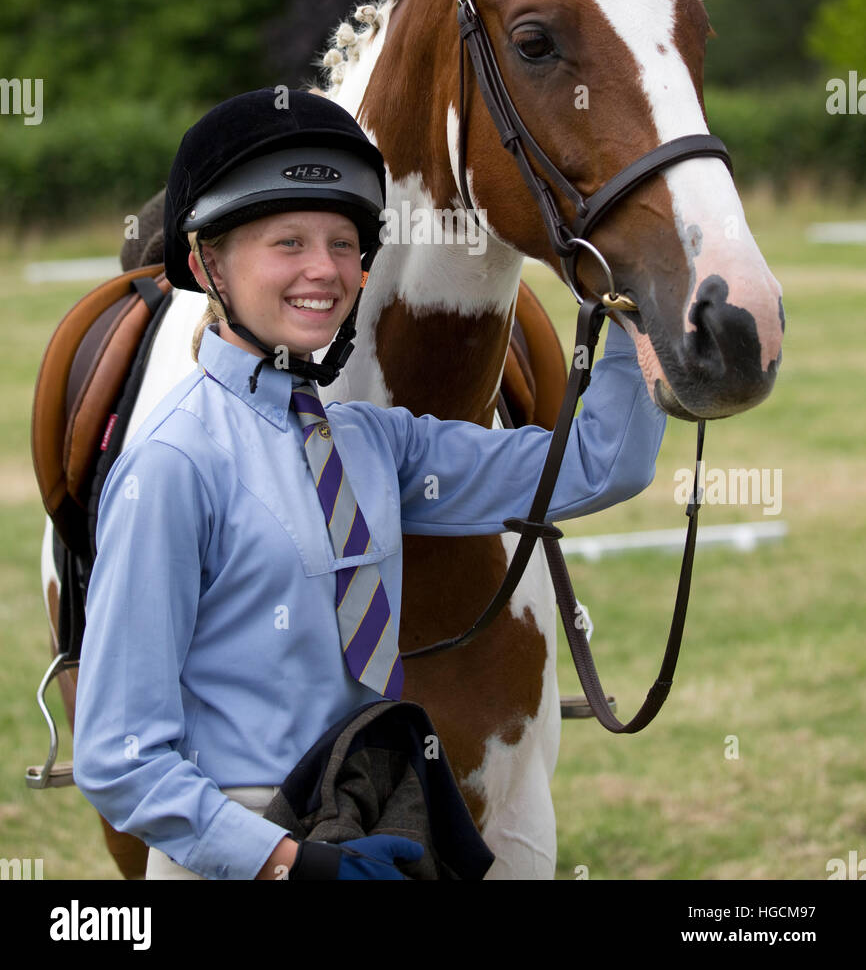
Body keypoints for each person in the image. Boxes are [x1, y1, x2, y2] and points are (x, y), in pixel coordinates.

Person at [72, 86, 668, 881]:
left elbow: (599, 464)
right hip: (238, 852)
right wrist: (288, 861)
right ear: (209, 262)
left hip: (375, 823)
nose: (324, 270)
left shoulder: (374, 445)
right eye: (288, 242)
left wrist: (636, 301)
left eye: (344, 243)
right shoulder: (173, 464)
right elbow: (119, 756)